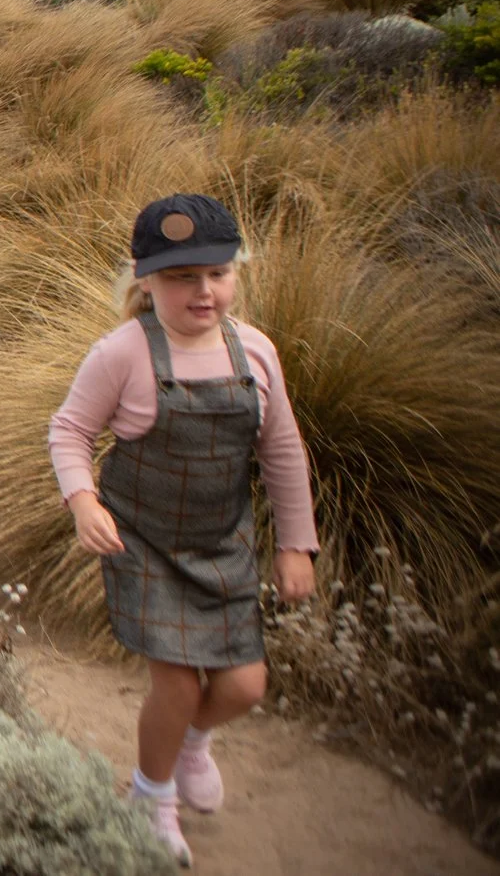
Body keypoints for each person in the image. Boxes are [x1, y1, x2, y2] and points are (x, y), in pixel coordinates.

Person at [48, 194, 317, 867]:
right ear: (145, 279)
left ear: (235, 272)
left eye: (218, 273)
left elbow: (282, 448)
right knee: (175, 682)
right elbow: (70, 431)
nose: (204, 290)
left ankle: (193, 743)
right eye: (180, 276)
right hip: (142, 543)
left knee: (243, 685)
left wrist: (294, 543)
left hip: (222, 545)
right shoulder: (123, 353)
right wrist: (84, 502)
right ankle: (152, 795)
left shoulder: (255, 351)